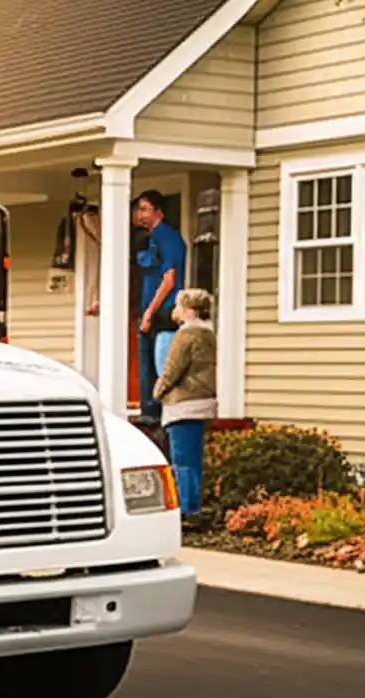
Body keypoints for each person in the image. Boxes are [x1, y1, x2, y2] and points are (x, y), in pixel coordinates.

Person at [153, 288, 217, 519]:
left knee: (181, 461)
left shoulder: (185, 336)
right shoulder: (209, 335)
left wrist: (158, 391)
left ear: (189, 310)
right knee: (194, 460)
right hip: (203, 401)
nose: (175, 310)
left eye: (179, 306)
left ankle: (187, 510)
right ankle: (193, 505)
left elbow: (172, 370)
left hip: (183, 404)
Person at [133, 190, 187, 422]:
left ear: (159, 213)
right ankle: (148, 412)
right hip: (149, 310)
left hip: (163, 313)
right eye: (138, 209)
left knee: (159, 365)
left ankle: (158, 413)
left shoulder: (168, 237)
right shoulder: (147, 239)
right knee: (144, 365)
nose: (139, 214)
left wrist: (149, 313)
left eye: (145, 209)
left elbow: (169, 280)